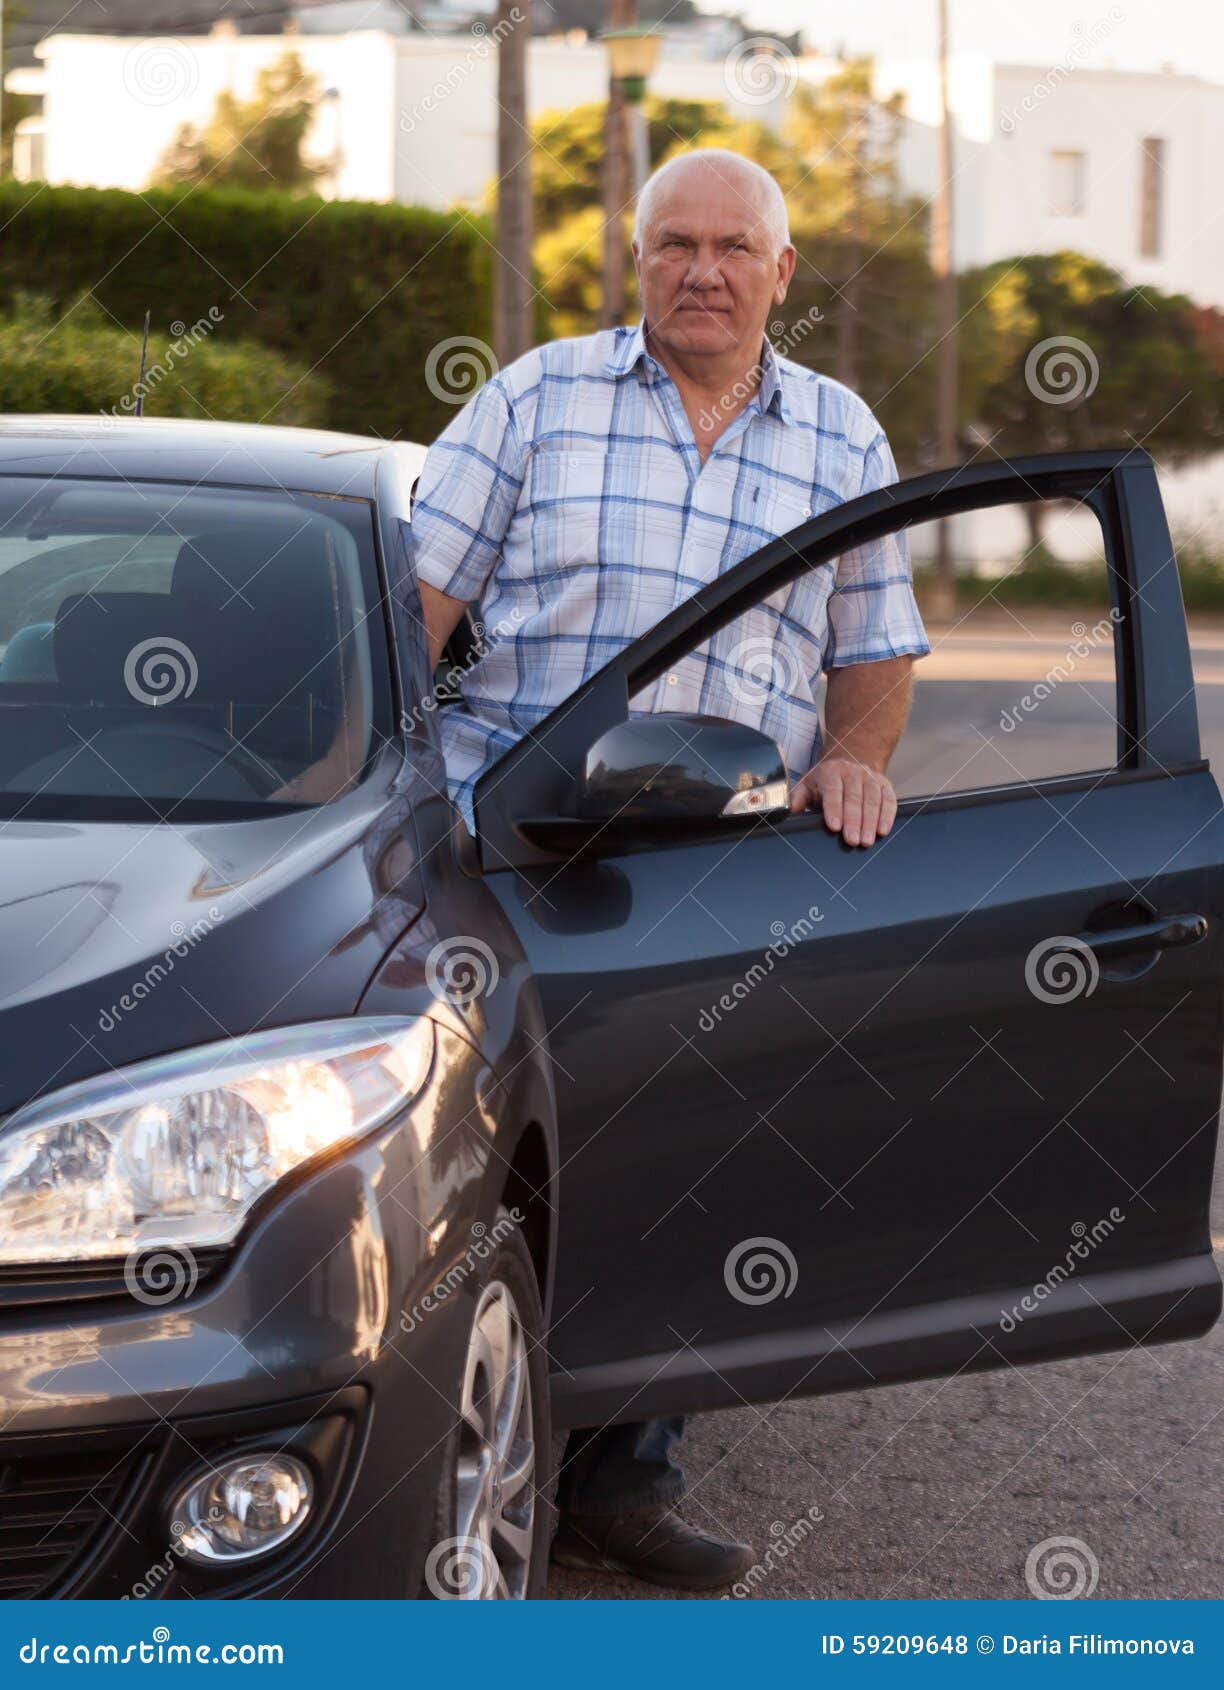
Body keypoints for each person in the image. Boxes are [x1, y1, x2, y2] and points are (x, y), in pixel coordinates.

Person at [407, 148, 929, 1592]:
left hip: (716, 860)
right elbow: (417, 609)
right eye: (673, 245)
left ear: (781, 273)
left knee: (685, 1158)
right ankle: (426, 1438)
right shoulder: (535, 399)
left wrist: (857, 755)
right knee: (486, 1146)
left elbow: (875, 655)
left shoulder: (842, 437)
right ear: (635, 262)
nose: (701, 270)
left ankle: (621, 1478)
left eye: (730, 247)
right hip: (503, 847)